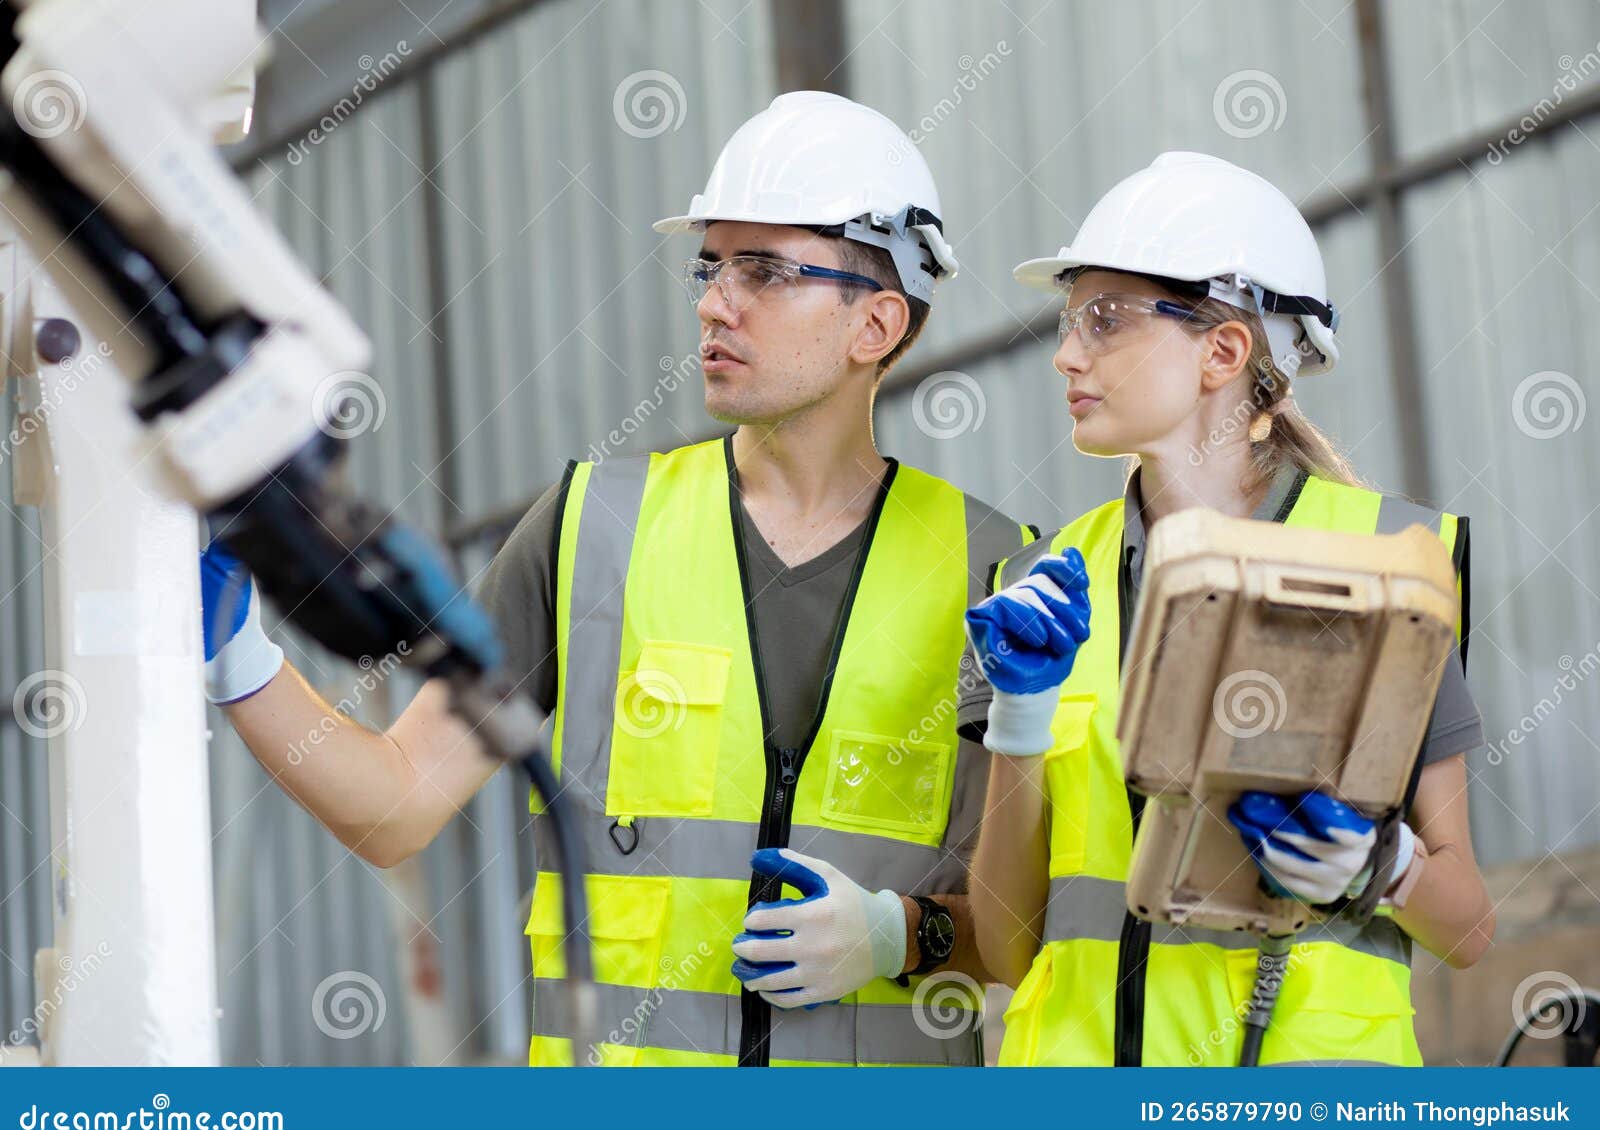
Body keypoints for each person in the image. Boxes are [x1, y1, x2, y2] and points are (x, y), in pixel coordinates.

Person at [200, 92, 1033, 1066]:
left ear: (876, 323)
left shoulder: (996, 569)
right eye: (710, 266)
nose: (714, 302)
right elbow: (393, 805)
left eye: (764, 270)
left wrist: (900, 933)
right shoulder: (592, 529)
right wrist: (239, 658)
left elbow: (1028, 921)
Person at [962, 152, 1495, 1066]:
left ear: (1223, 351)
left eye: (1106, 318)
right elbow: (1007, 946)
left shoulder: (1389, 565)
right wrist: (1018, 719)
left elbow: (1469, 928)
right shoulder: (1037, 584)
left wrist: (1383, 867)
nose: (1065, 352)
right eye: (1068, 318)